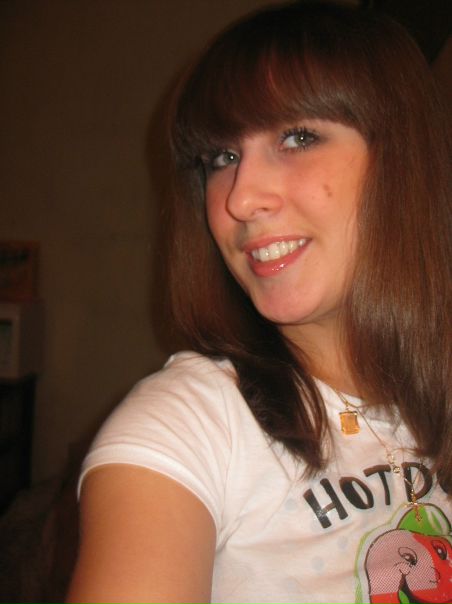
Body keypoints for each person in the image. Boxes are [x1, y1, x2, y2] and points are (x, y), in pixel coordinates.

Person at [66, 2, 451, 603]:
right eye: (221, 158)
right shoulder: (189, 424)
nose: (240, 198)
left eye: (298, 137)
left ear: (403, 162)